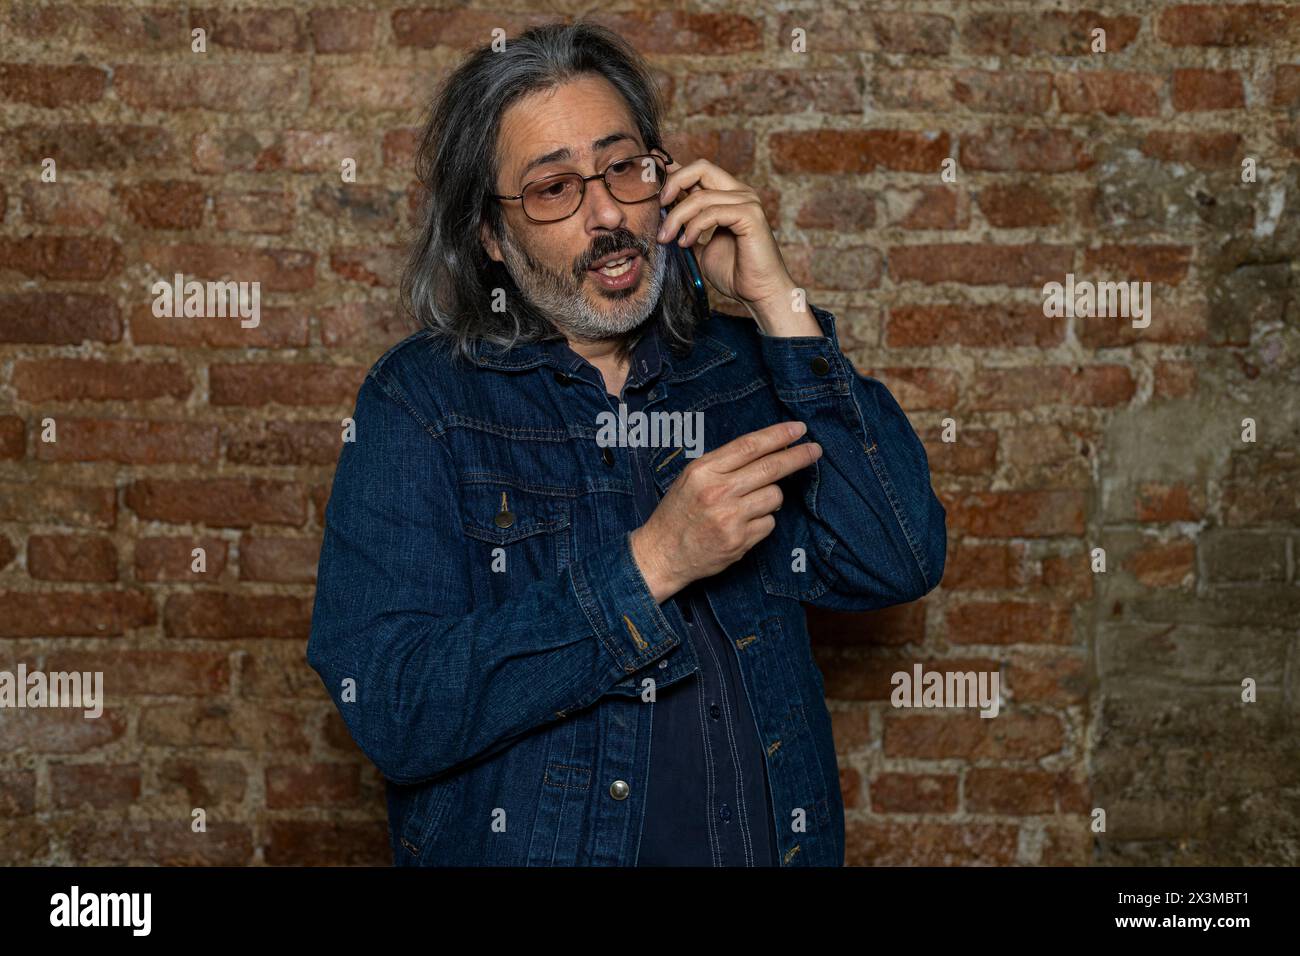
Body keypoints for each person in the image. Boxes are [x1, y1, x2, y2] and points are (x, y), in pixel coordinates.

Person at [306, 20, 946, 867]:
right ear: (492, 237)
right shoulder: (423, 402)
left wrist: (777, 304)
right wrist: (652, 564)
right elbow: (393, 706)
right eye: (552, 188)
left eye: (623, 167)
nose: (607, 213)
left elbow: (898, 557)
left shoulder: (743, 372)